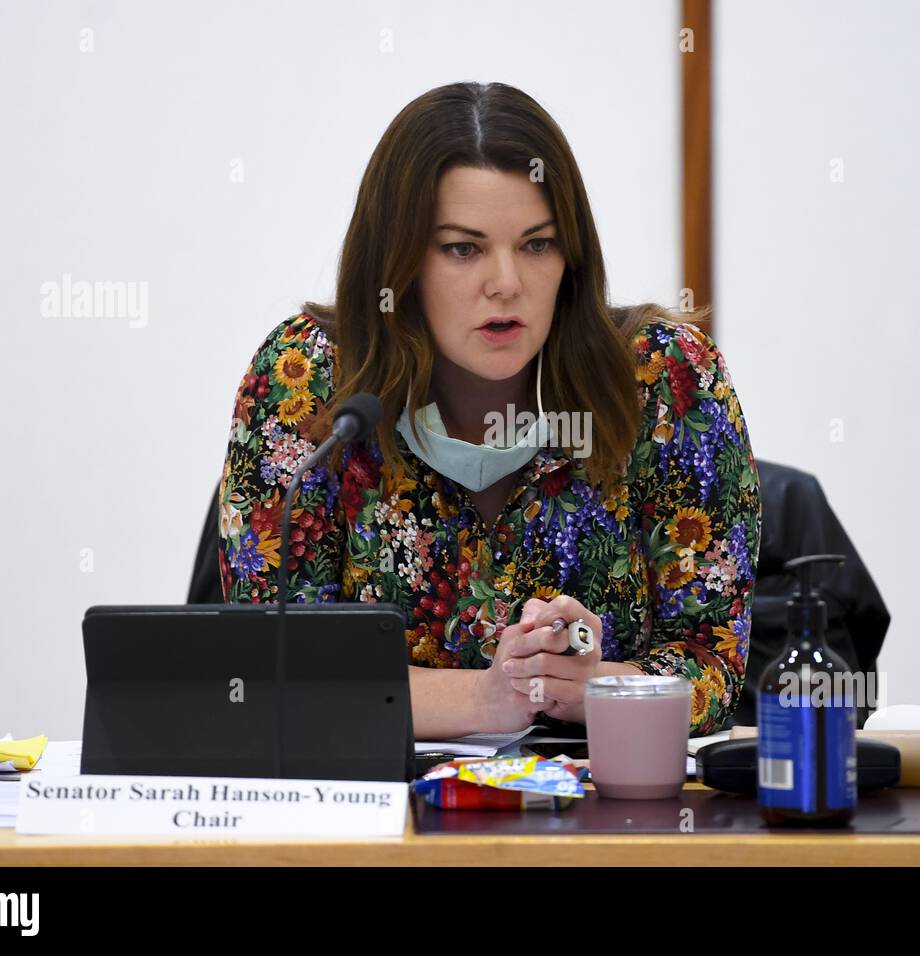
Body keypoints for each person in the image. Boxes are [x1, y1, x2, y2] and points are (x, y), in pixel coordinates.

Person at [217, 81, 761, 740]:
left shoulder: (665, 378)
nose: (506, 281)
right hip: (380, 825)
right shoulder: (307, 381)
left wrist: (601, 687)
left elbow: (713, 665)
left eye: (537, 244)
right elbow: (274, 672)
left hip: (602, 820)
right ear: (398, 263)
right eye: (462, 248)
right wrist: (486, 698)